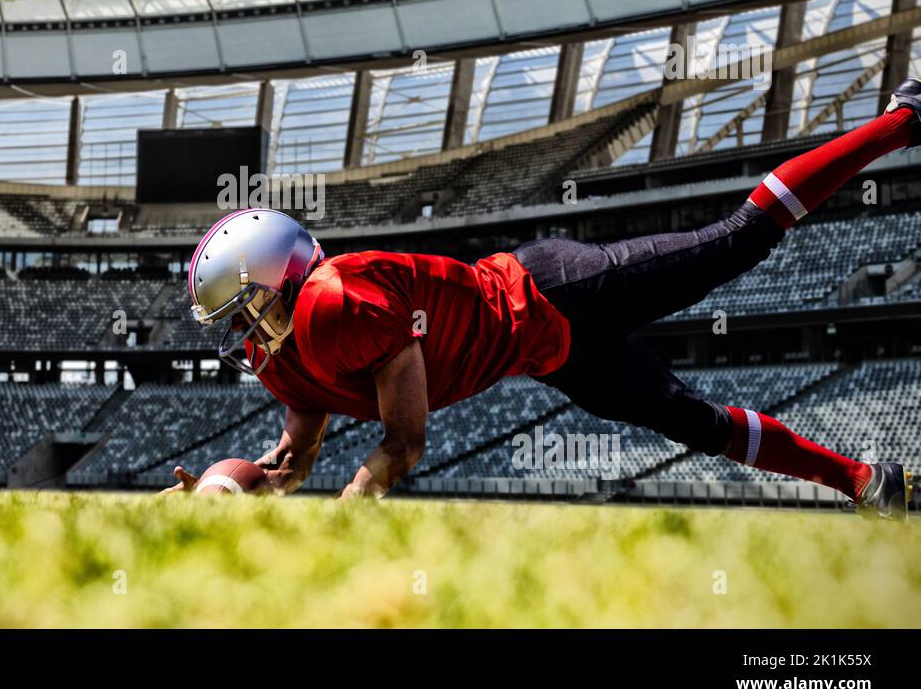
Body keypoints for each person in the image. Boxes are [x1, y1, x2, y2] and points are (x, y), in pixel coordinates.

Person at [162, 80, 921, 519]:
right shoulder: (284, 357)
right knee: (697, 423)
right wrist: (226, 493)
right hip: (549, 354)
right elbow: (291, 461)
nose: (246, 338)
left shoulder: (335, 301)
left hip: (551, 291)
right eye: (235, 325)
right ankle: (866, 482)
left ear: (285, 280)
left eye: (246, 313)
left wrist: (345, 519)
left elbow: (404, 444)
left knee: (737, 240)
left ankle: (903, 119)